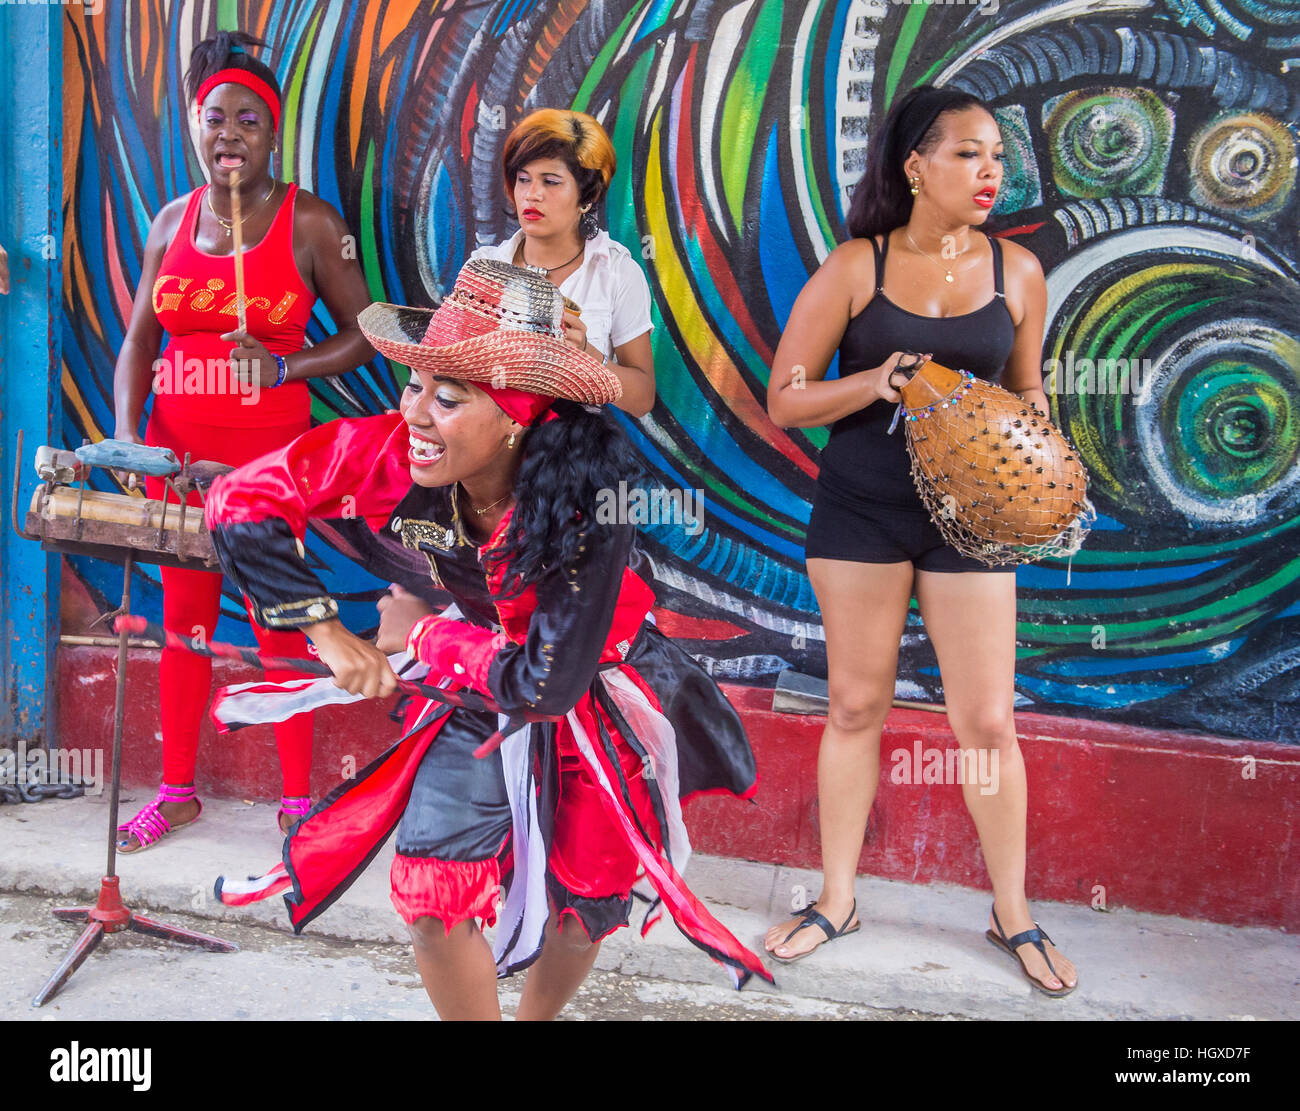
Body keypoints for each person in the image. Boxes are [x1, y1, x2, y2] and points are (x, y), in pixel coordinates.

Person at [205, 259, 770, 1019]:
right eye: (413, 385)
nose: (414, 414)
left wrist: (428, 635)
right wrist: (323, 628)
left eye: (448, 396)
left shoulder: (592, 501)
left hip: (594, 696)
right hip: (474, 691)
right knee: (435, 899)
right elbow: (241, 497)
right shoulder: (396, 455)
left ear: (518, 413)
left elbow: (548, 685)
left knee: (583, 905)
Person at [763, 85, 1078, 996]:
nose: (990, 173)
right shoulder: (857, 266)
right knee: (856, 706)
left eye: (996, 157)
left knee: (984, 721)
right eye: (969, 154)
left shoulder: (1016, 273)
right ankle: (836, 897)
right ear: (916, 166)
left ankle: (1010, 911)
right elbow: (788, 397)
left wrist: (1037, 463)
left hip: (971, 524)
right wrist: (878, 380)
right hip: (861, 509)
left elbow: (1028, 394)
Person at [110, 31, 374, 850]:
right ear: (196, 127)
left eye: (249, 120)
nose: (229, 133)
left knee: (280, 622)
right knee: (183, 622)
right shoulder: (170, 221)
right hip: (176, 462)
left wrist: (288, 364)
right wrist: (127, 440)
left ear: (273, 134)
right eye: (214, 117)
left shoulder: (311, 223)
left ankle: (297, 802)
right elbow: (138, 346)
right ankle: (179, 789)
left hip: (265, 468)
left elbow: (369, 331)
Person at [470, 108, 655, 417]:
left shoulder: (616, 273)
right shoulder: (483, 268)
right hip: (489, 452)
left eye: (551, 182)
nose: (532, 195)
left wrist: (586, 355)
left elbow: (642, 400)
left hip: (567, 455)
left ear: (587, 195)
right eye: (523, 179)